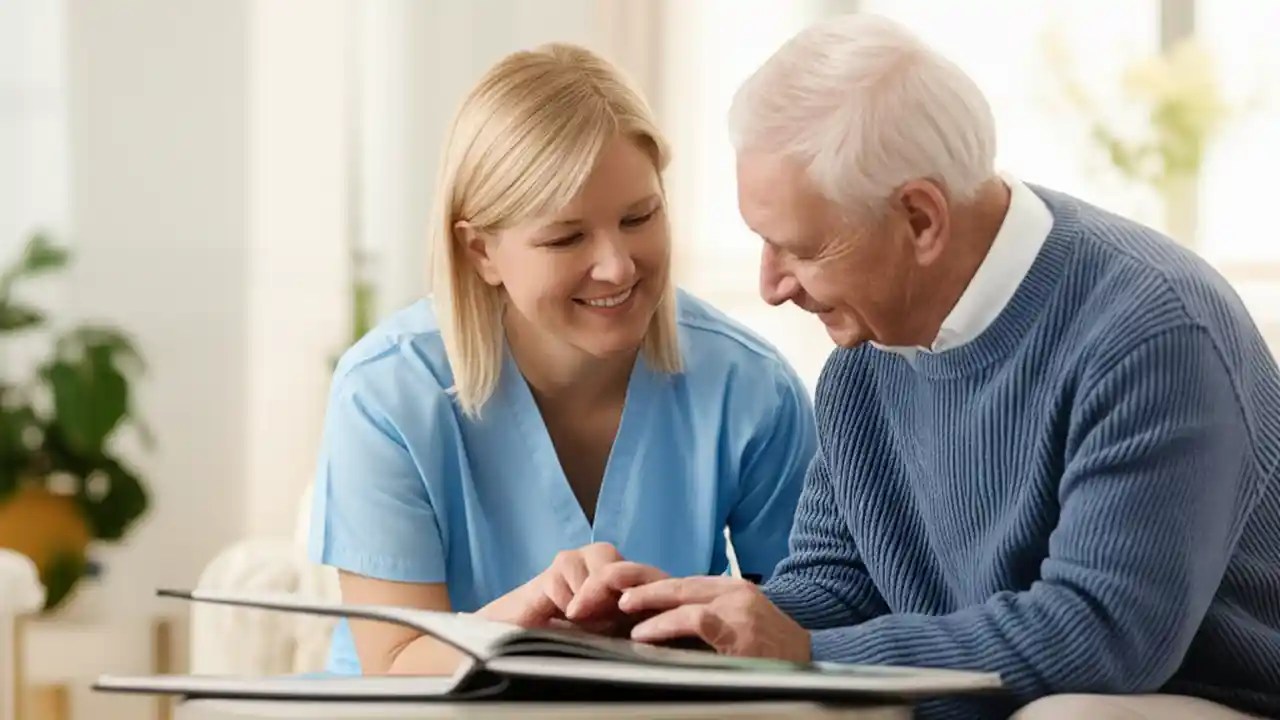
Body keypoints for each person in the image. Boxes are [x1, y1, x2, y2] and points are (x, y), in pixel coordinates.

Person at [564, 13, 1280, 720]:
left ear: (921, 219)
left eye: (802, 249)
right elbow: (836, 587)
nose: (772, 286)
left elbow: (1101, 638)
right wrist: (687, 628)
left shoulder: (1151, 331)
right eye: (763, 243)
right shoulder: (865, 352)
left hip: (1189, 699)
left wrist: (806, 654)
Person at [305, 42, 818, 678]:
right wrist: (530, 618)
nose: (617, 265)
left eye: (640, 217)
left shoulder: (750, 388)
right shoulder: (385, 393)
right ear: (480, 252)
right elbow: (394, 662)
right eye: (566, 236)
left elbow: (804, 628)